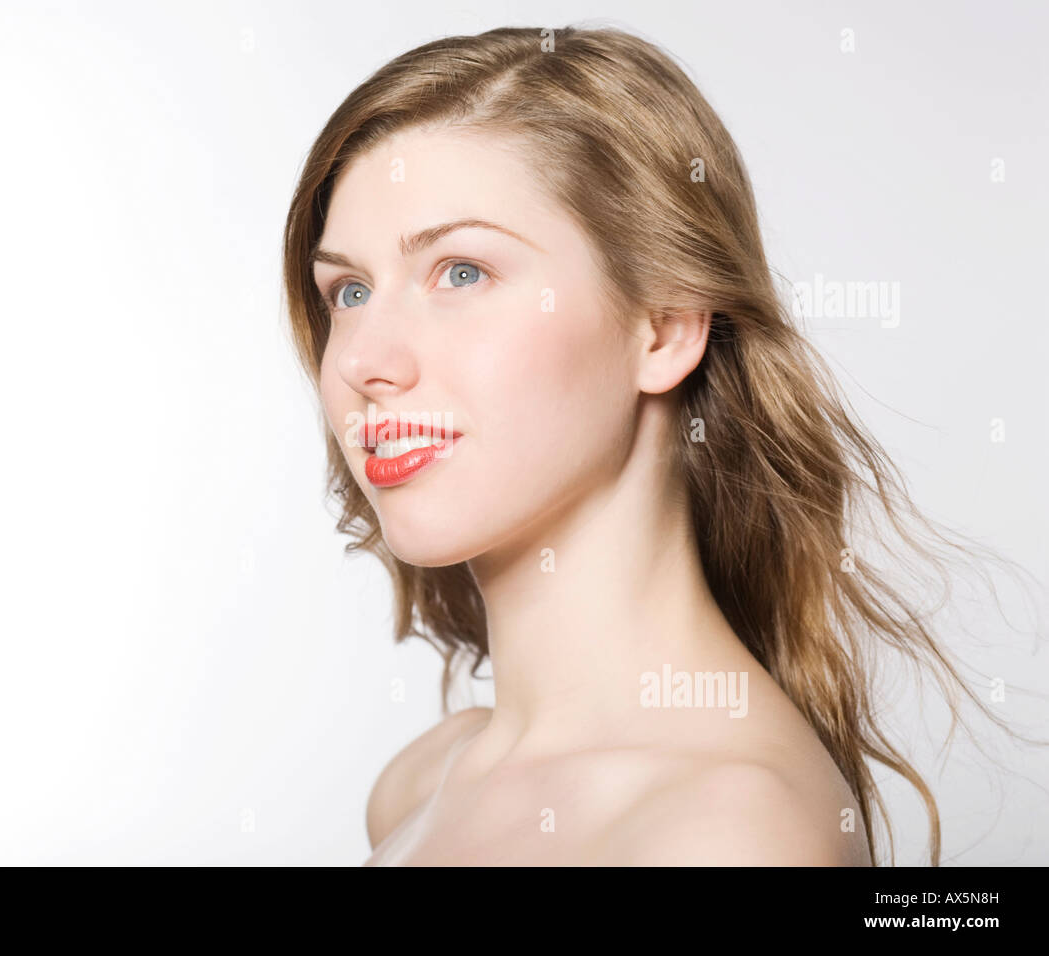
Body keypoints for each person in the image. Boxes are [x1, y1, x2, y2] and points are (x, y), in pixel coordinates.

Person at [280, 24, 1036, 865]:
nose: (364, 362)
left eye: (462, 272)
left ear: (665, 328)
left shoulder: (732, 833)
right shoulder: (420, 784)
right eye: (348, 290)